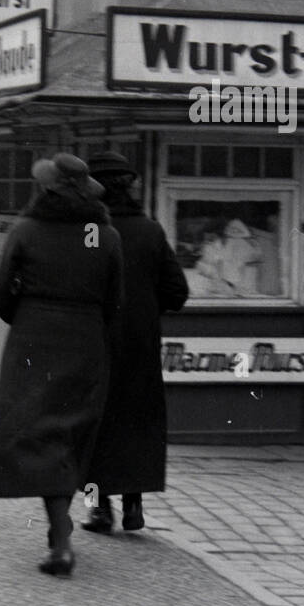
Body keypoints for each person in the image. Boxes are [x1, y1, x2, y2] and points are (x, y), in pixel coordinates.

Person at [0, 153, 122, 577]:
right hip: (85, 339)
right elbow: (115, 301)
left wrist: (28, 318)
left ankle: (60, 537)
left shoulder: (27, 230)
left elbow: (0, 293)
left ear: (49, 190)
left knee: (36, 430)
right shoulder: (103, 235)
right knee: (70, 431)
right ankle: (61, 535)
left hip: (33, 337)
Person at [81, 149, 188, 536]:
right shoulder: (151, 230)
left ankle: (99, 511)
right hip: (141, 344)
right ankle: (133, 505)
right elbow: (177, 291)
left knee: (93, 425)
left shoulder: (89, 232)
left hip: (95, 342)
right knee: (136, 422)